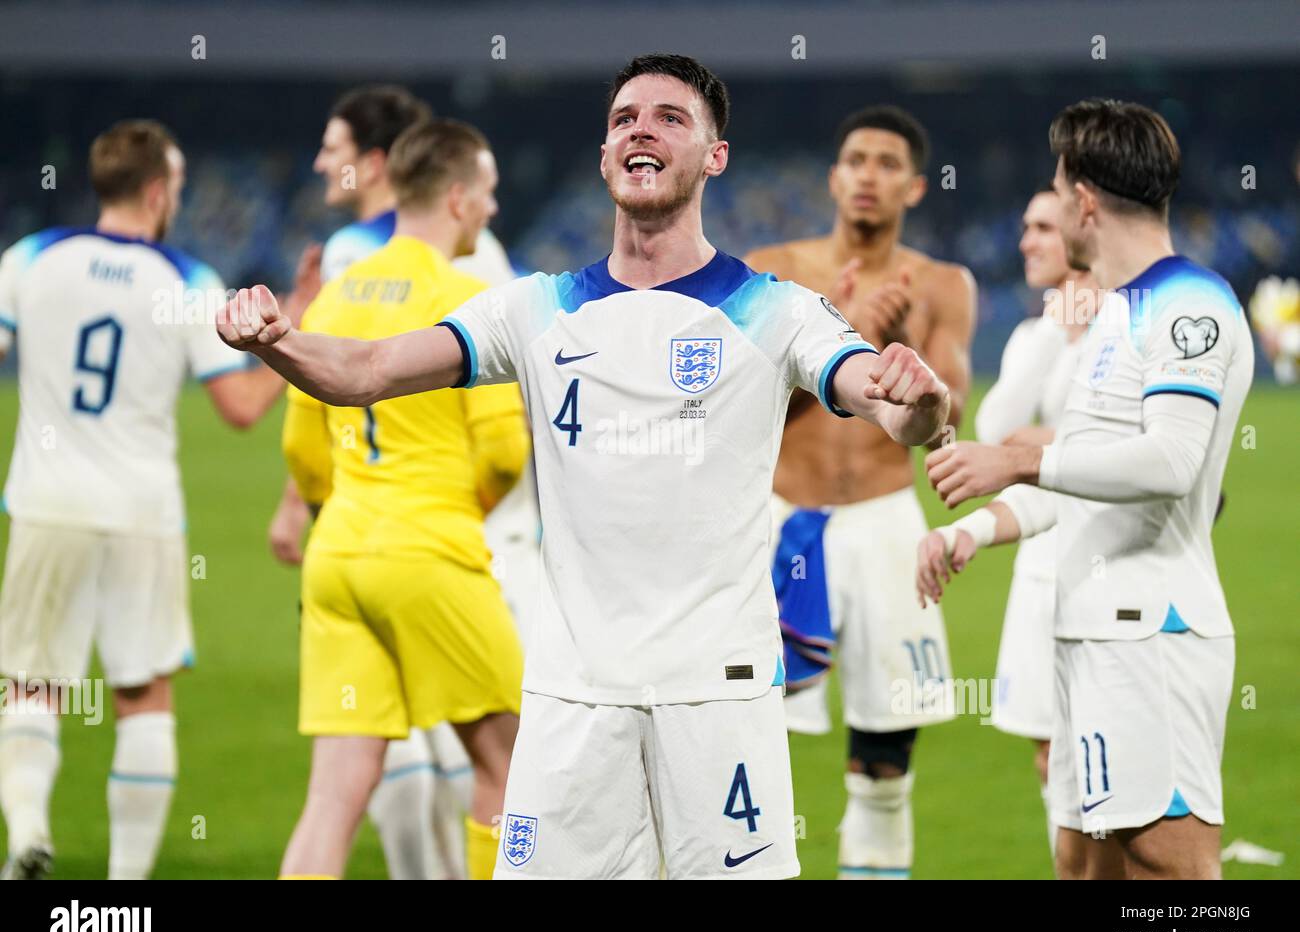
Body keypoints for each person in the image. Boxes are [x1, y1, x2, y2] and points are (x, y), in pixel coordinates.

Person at [216, 53, 951, 880]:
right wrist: (277, 342)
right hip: (573, 699)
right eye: (624, 118)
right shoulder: (532, 309)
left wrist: (916, 403)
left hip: (719, 692)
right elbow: (367, 371)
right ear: (605, 157)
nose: (642, 128)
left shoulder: (776, 310)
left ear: (716, 157)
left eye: (671, 117)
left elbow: (889, 404)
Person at [918, 99, 1254, 879]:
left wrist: (1022, 461)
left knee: (1173, 871)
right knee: (1088, 866)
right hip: (1093, 633)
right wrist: (973, 529)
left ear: (1085, 201)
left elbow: (1170, 462)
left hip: (1154, 631)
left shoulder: (1187, 306)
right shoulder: (1116, 316)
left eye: (1057, 182)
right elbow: (1088, 478)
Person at [0, 120, 282, 879]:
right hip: (143, 514)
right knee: (142, 693)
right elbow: (244, 407)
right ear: (158, 190)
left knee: (30, 680)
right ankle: (128, 885)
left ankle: (26, 833)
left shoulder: (30, 258)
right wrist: (301, 324)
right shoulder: (185, 281)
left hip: (45, 502)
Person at [268, 83, 531, 880]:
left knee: (335, 794)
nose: (490, 210)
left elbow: (304, 451)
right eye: (485, 195)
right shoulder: (469, 300)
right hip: (430, 549)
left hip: (340, 554)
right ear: (457, 197)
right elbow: (504, 457)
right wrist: (450, 510)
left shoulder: (338, 294)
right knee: (512, 768)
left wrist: (344, 507)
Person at [745, 105, 976, 879]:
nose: (868, 174)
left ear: (913, 186)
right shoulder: (771, 267)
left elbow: (948, 421)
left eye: (886, 163)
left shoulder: (942, 285)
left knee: (886, 752)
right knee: (744, 733)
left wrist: (904, 362)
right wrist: (846, 334)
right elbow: (741, 410)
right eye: (855, 159)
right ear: (834, 177)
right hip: (779, 519)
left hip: (884, 524)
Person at [973, 185, 1097, 856]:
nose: (1026, 241)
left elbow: (1119, 444)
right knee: (1051, 758)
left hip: (1107, 564)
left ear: (1084, 231)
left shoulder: (1126, 327)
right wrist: (1059, 322)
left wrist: (1045, 441)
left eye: (1043, 228)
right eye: (1025, 226)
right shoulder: (1034, 333)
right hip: (1038, 563)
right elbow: (994, 431)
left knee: (1105, 769)